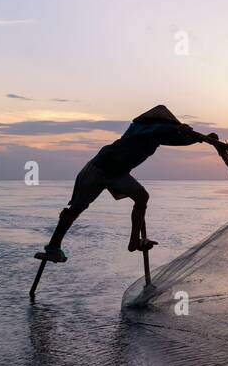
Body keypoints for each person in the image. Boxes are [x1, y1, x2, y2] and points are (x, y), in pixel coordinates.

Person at [41, 105, 217, 262]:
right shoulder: (139, 128)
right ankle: (53, 247)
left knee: (142, 197)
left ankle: (134, 242)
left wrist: (202, 138)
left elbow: (176, 140)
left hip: (118, 174)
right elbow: (158, 130)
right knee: (77, 209)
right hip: (97, 169)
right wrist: (180, 129)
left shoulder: (158, 135)